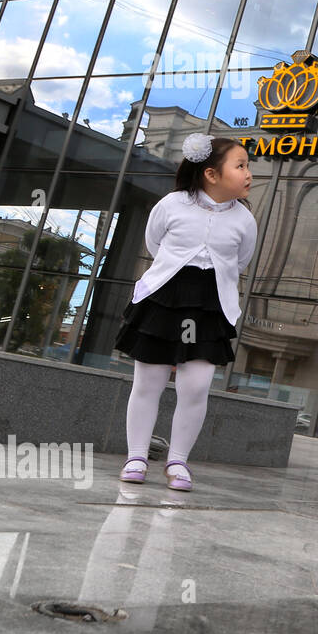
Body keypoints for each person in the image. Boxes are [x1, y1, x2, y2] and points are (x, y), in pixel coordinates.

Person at [114, 133, 256, 492]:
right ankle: (136, 456)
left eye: (247, 166)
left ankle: (178, 462)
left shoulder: (245, 220)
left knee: (196, 387)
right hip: (163, 297)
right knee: (148, 383)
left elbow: (239, 262)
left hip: (210, 303)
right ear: (211, 173)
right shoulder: (172, 204)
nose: (248, 174)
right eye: (240, 166)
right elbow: (154, 244)